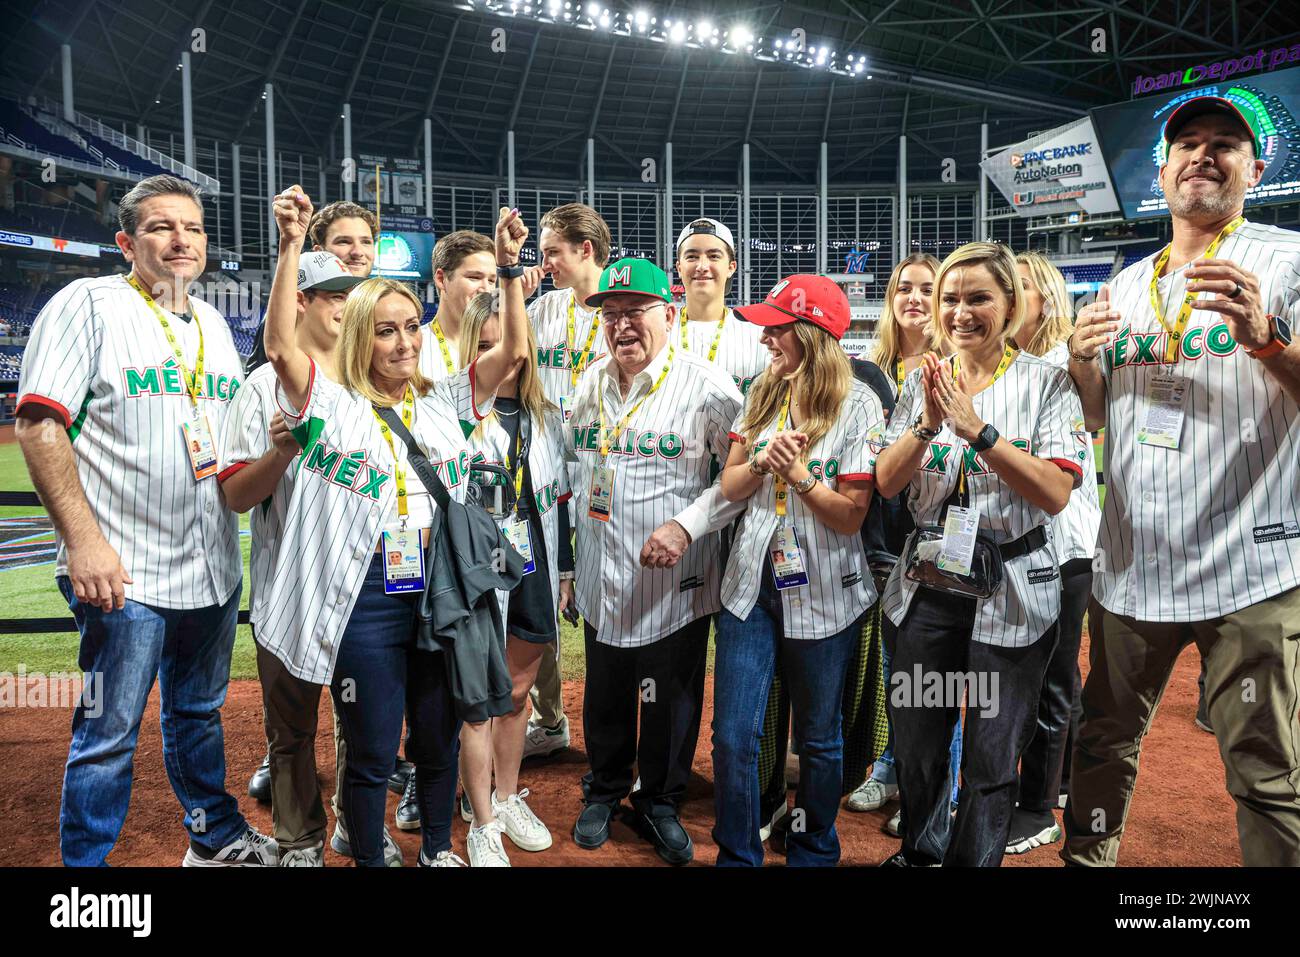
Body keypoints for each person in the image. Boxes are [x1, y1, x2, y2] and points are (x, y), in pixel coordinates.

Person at [260, 185, 530, 867]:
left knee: (436, 741)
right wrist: (291, 245)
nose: (405, 340)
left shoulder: (444, 399)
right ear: (359, 335)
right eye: (386, 329)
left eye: (411, 326)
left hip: (437, 589)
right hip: (366, 599)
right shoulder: (334, 404)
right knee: (375, 747)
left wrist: (506, 270)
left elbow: (514, 356)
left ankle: (440, 850)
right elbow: (279, 348)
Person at [1063, 95, 1300, 866]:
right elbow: (1098, 420)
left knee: (1264, 769)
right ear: (1161, 172)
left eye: (1223, 144)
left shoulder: (1287, 260)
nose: (1202, 154)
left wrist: (1268, 342)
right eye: (1186, 144)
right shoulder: (1129, 284)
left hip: (1252, 565)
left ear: (1254, 169)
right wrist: (1079, 366)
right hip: (1134, 564)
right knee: (1101, 744)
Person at [15, 174, 276, 866]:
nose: (180, 239)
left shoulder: (217, 326)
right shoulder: (88, 304)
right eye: (161, 227)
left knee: (197, 714)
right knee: (109, 732)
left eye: (191, 227)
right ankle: (86, 874)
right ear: (127, 241)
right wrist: (84, 542)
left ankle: (213, 837)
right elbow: (40, 424)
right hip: (123, 570)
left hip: (210, 567)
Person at [872, 241, 1084, 867]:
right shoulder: (922, 383)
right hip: (929, 586)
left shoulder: (1047, 383)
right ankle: (920, 850)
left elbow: (1054, 492)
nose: (961, 312)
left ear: (1011, 304)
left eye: (979, 298)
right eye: (951, 299)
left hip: (1014, 588)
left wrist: (981, 434)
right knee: (917, 741)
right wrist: (927, 425)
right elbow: (886, 483)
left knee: (991, 755)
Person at [219, 251, 406, 866]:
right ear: (300, 301)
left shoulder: (367, 386)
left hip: (364, 593)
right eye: (334, 297)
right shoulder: (260, 390)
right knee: (291, 732)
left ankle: (359, 826)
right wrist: (280, 454)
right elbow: (236, 495)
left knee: (362, 727)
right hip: (290, 588)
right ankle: (299, 839)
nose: (348, 307)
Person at [565, 256, 742, 864]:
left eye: (635, 312)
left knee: (669, 697)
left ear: (667, 313)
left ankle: (661, 800)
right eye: (611, 315)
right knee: (605, 693)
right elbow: (574, 472)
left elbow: (739, 480)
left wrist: (687, 525)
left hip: (676, 581)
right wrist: (569, 567)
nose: (622, 327)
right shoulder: (588, 383)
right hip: (601, 573)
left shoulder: (709, 387)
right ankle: (606, 789)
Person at [711, 274, 883, 866]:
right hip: (750, 583)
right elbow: (730, 485)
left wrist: (802, 478)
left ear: (811, 335)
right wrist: (762, 462)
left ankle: (813, 847)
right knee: (733, 735)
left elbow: (850, 518)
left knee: (819, 737)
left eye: (777, 328)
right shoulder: (762, 391)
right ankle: (737, 854)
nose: (765, 338)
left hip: (828, 586)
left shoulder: (859, 404)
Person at [452, 291, 575, 865]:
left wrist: (568, 569)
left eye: (515, 350)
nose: (505, 359)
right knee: (478, 699)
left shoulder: (548, 418)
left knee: (518, 692)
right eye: (486, 347)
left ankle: (505, 797)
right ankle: (479, 818)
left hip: (531, 567)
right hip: (477, 574)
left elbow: (563, 503)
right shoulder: (451, 412)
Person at [846, 253, 963, 839]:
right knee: (896, 666)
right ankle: (890, 764)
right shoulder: (871, 367)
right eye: (903, 289)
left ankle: (940, 784)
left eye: (926, 289)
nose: (913, 298)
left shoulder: (957, 363)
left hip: (936, 535)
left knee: (939, 668)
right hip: (876, 531)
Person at [1002, 251, 1102, 855]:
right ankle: (1062, 779)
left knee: (1050, 681)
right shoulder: (1002, 364)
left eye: (1018, 289)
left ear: (1043, 297)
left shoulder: (1063, 366)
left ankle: (1037, 807)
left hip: (1064, 545)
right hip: (1022, 544)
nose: (1008, 299)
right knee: (1050, 679)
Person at [521, 203, 613, 762]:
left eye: (553, 250)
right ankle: (549, 718)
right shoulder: (539, 312)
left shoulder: (625, 306)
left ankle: (613, 729)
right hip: (547, 466)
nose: (546, 261)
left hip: (608, 468)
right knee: (540, 593)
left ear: (585, 249)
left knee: (606, 594)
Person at [243, 200, 378, 375]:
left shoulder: (375, 308)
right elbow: (262, 382)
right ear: (319, 251)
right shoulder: (293, 310)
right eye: (344, 242)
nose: (358, 252)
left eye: (366, 242)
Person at [674, 217, 768, 395]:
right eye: (692, 256)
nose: (702, 266)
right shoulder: (657, 332)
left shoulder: (759, 336)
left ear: (731, 267)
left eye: (713, 256)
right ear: (679, 268)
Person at [418, 230, 497, 382]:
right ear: (441, 279)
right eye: (474, 277)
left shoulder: (500, 347)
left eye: (491, 281)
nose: (486, 289)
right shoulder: (413, 349)